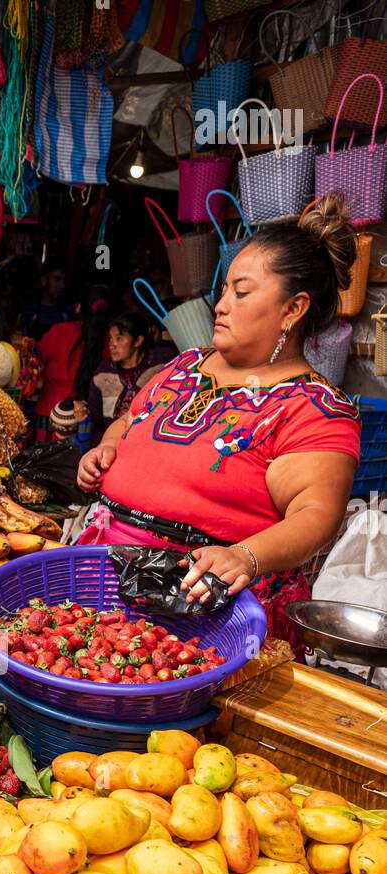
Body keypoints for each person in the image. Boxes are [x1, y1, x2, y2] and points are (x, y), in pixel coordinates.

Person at [76, 195, 361, 649]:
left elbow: (316, 514)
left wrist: (246, 555)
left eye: (241, 293)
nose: (221, 304)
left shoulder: (314, 408)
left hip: (199, 608)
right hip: (101, 578)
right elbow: (130, 420)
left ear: (294, 309)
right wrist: (107, 448)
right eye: (224, 289)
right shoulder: (185, 366)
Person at [34, 297, 107, 443]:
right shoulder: (107, 340)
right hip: (83, 419)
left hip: (50, 416)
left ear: (78, 308)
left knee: (43, 462)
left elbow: (36, 365)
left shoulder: (59, 331)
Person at [87, 311, 170, 436]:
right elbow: (95, 415)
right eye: (111, 339)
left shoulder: (162, 364)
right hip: (114, 440)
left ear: (138, 341)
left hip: (150, 437)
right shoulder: (103, 372)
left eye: (119, 339)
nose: (112, 345)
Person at [19, 260, 75, 337]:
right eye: (57, 279)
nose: (62, 285)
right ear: (43, 280)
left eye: (64, 281)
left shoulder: (67, 310)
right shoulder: (29, 309)